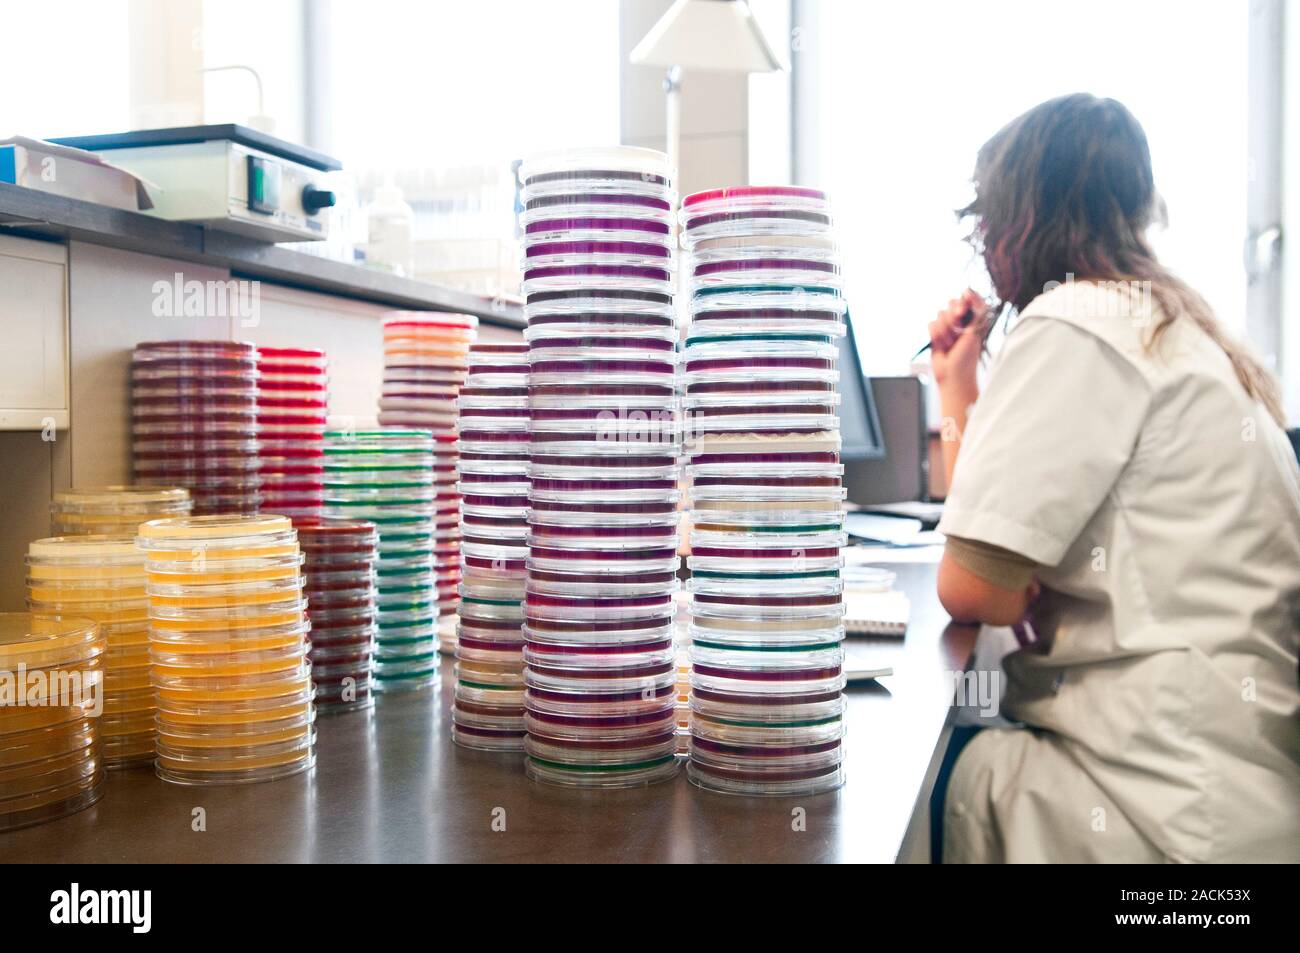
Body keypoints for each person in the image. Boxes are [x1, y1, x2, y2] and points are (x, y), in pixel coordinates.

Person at [927, 93, 1300, 863]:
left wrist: (1012, 580)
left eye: (985, 223)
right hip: (1228, 794)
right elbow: (993, 546)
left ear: (1017, 222)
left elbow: (974, 586)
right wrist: (958, 386)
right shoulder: (1172, 326)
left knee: (916, 780)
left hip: (1156, 819)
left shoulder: (1075, 322)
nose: (985, 246)